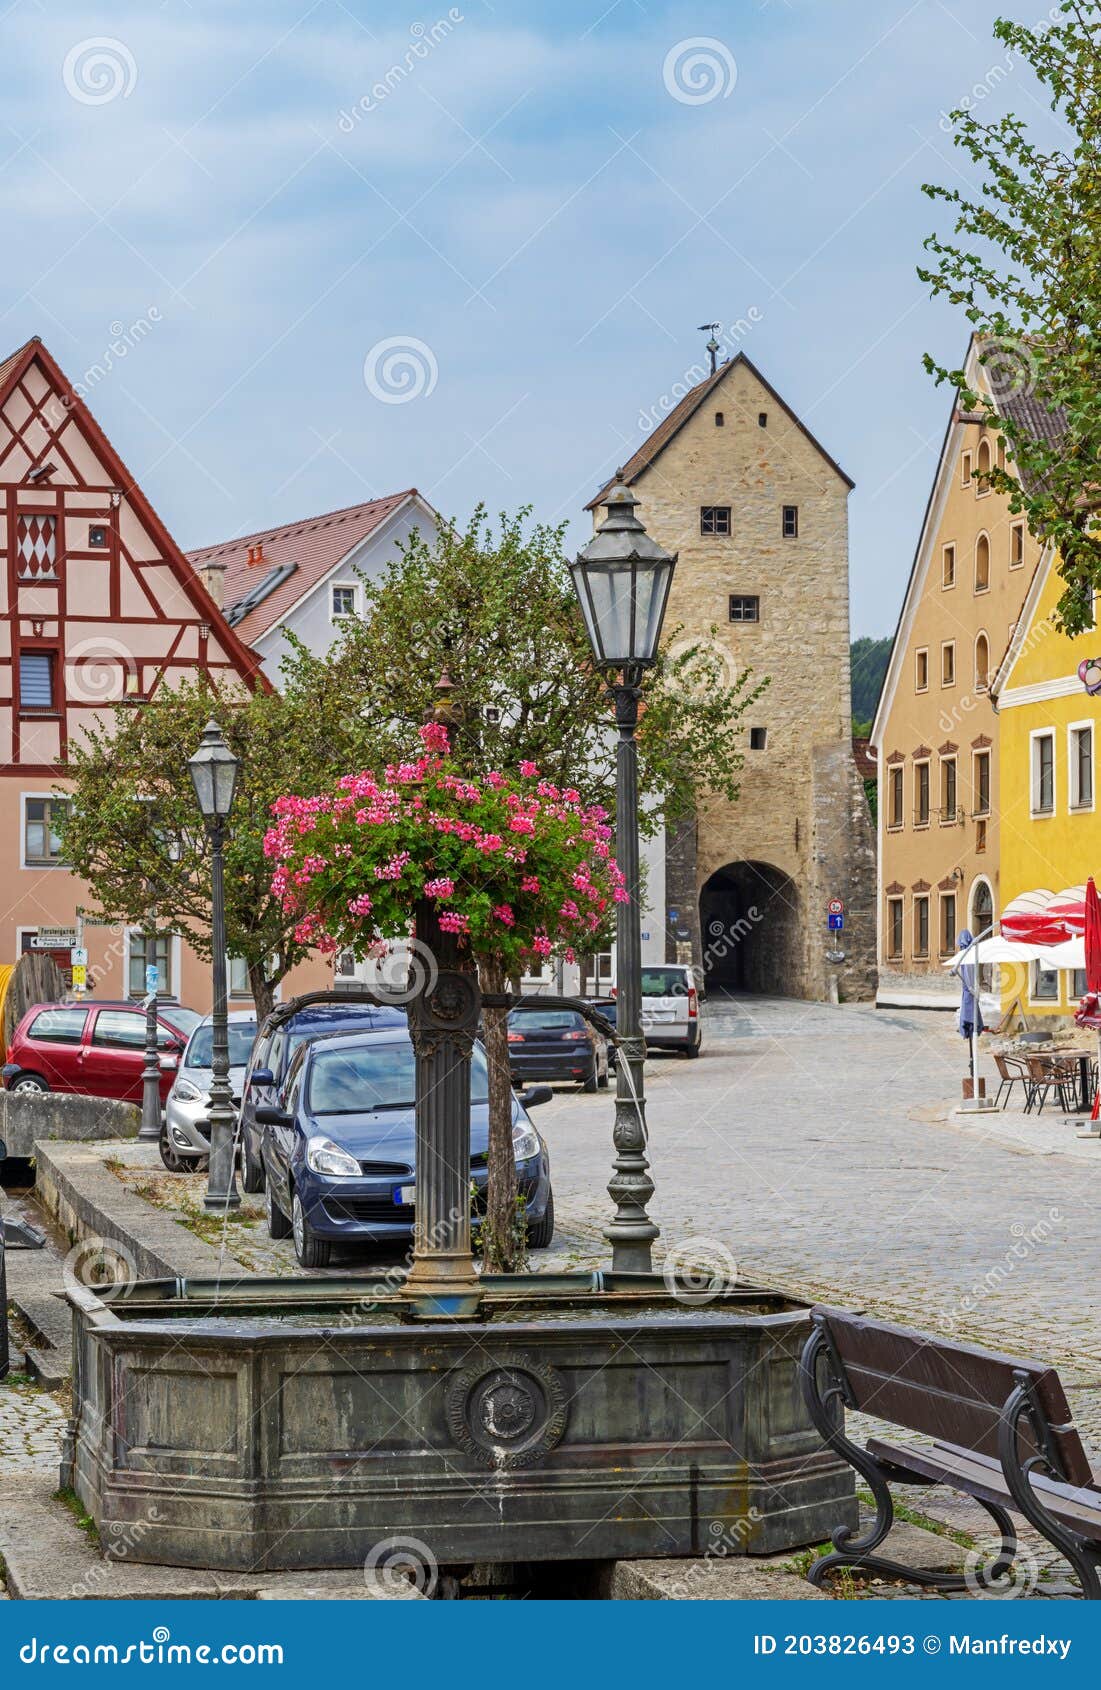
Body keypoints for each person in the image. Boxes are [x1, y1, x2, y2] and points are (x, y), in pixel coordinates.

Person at [956, 928, 984, 1041]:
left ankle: (970, 1028)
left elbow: (969, 977)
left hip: (969, 991)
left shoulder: (968, 957)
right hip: (968, 991)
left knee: (970, 1016)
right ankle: (970, 1029)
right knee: (970, 1015)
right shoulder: (966, 955)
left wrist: (971, 989)